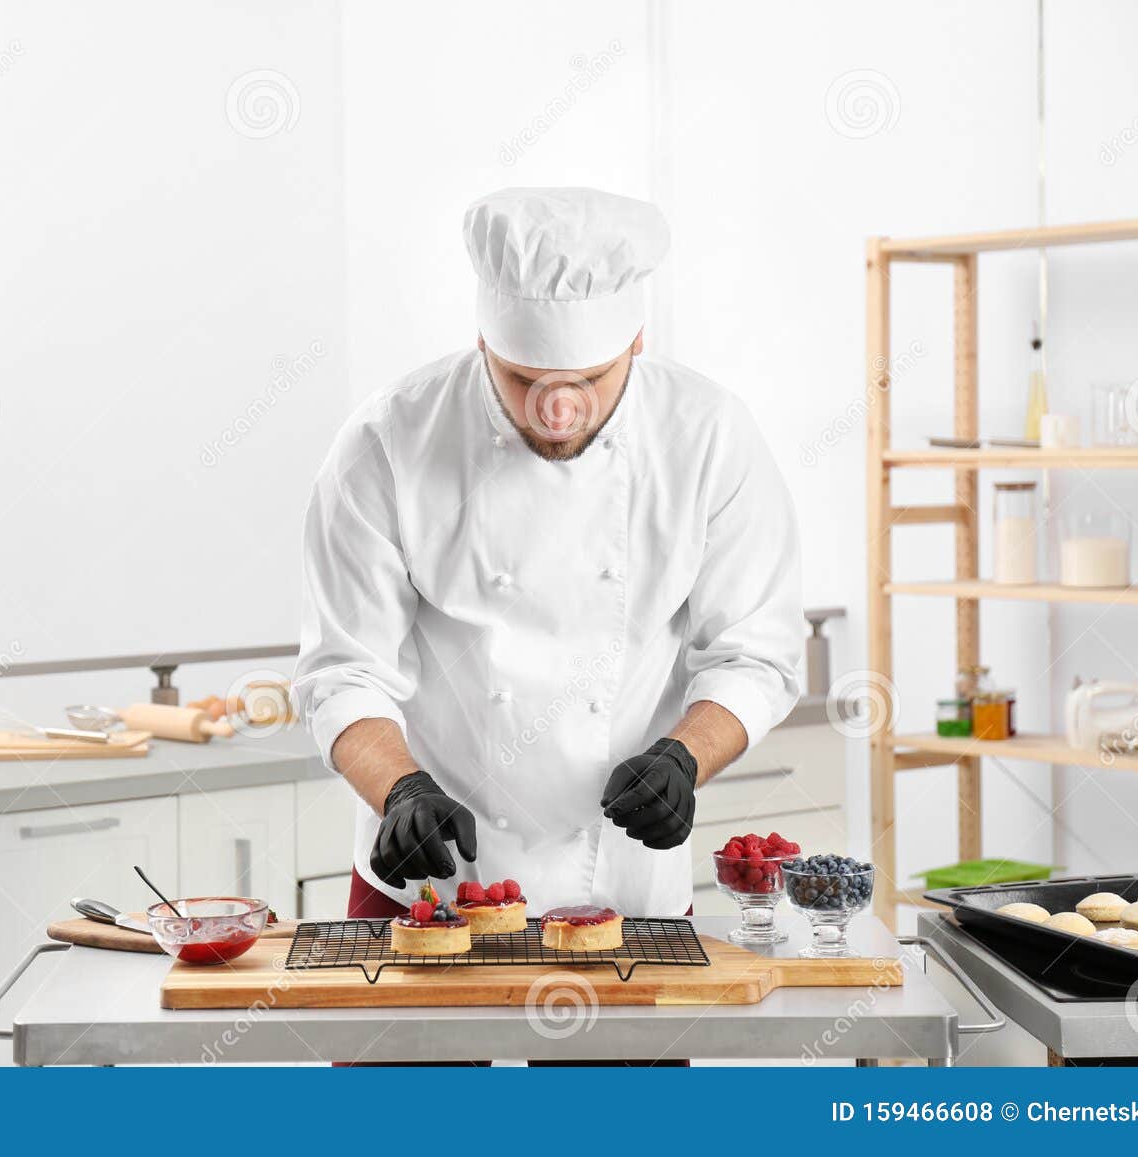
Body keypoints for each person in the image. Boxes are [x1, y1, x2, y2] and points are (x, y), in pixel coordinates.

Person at [295, 187, 802, 931]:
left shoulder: (710, 437)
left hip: (622, 881)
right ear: (482, 341)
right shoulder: (386, 441)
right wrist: (398, 790)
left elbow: (757, 652)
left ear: (636, 342)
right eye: (524, 380)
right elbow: (344, 668)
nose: (556, 412)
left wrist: (683, 758)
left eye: (588, 381)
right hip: (428, 873)